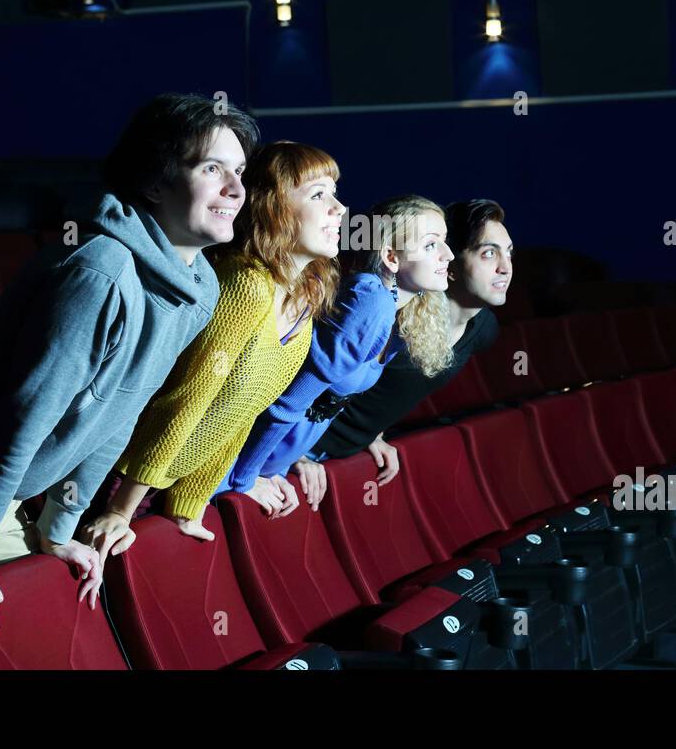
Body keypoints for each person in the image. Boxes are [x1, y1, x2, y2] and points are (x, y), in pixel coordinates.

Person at [0, 93, 257, 654]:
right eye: (212, 168)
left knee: (20, 635)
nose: (236, 189)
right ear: (155, 182)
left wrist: (58, 529)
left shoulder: (200, 286)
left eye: (240, 171)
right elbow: (21, 423)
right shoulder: (100, 274)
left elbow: (119, 413)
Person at [82, 141, 344, 557]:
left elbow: (240, 417)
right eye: (318, 195)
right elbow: (186, 400)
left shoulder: (303, 303)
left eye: (334, 193)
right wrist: (121, 508)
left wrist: (190, 507)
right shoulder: (246, 285)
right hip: (119, 477)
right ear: (272, 207)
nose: (339, 209)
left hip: (162, 483)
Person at [222, 195, 455, 513]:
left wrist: (275, 469)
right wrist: (246, 478)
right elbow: (287, 403)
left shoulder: (397, 307)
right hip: (234, 459)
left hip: (268, 461)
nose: (448, 254)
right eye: (431, 245)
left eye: (444, 242)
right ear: (391, 256)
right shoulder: (370, 300)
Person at [309, 199, 514, 484]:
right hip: (302, 450)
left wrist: (373, 432)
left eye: (509, 253)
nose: (506, 267)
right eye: (489, 253)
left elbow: (386, 394)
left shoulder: (484, 330)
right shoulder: (394, 315)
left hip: (343, 455)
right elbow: (307, 381)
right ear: (452, 263)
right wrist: (294, 455)